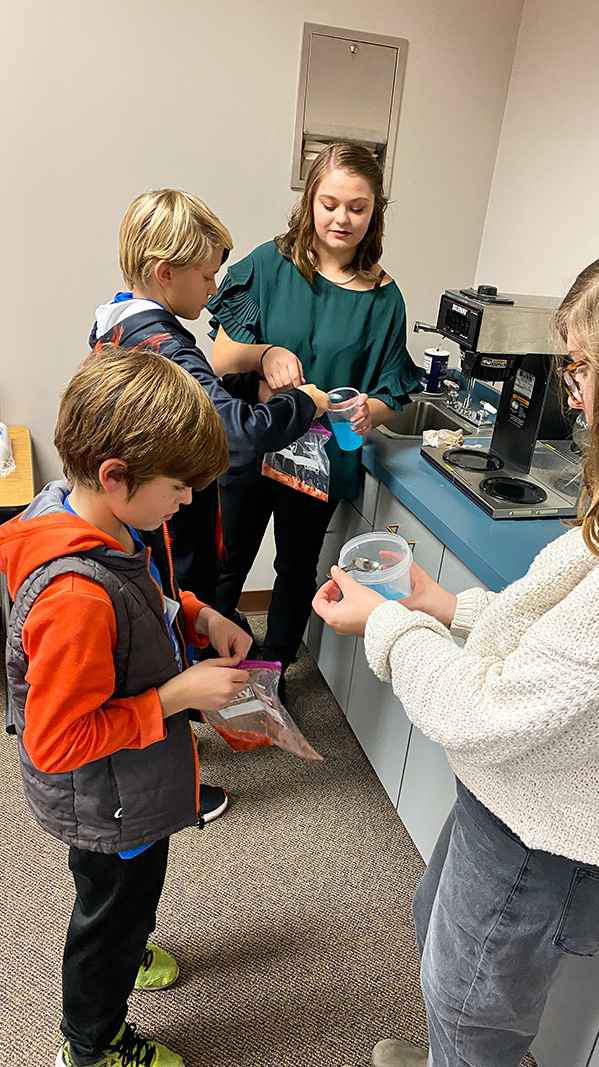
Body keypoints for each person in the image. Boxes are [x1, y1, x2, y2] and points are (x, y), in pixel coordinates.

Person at [313, 217, 599, 1067]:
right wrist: (440, 602)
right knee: (440, 940)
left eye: (584, 366)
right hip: (533, 801)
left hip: (559, 835)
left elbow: (491, 713)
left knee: (472, 1012)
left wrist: (385, 623)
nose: (572, 389)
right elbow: (565, 647)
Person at [0, 348, 253, 1067]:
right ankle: (92, 1043)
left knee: (127, 896)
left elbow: (148, 597)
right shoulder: (75, 595)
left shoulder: (103, 521)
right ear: (116, 476)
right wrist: (176, 695)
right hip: (106, 795)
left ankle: (130, 942)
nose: (186, 501)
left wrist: (200, 616)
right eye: (178, 488)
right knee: (108, 912)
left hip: (129, 783)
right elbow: (55, 741)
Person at [89, 188, 330, 813]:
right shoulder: (165, 345)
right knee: (159, 643)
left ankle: (175, 747)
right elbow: (239, 434)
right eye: (207, 273)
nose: (215, 287)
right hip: (163, 525)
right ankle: (177, 784)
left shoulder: (113, 319)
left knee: (164, 627)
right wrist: (307, 405)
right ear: (165, 272)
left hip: (140, 510)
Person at [208, 142, 422, 695]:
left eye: (357, 207)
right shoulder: (269, 265)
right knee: (226, 563)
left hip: (318, 459)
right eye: (329, 203)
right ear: (309, 202)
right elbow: (220, 360)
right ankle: (202, 665)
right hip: (253, 442)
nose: (341, 219)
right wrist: (265, 354)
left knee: (297, 568)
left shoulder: (383, 297)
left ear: (375, 212)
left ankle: (273, 672)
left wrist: (366, 410)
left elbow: (390, 390)